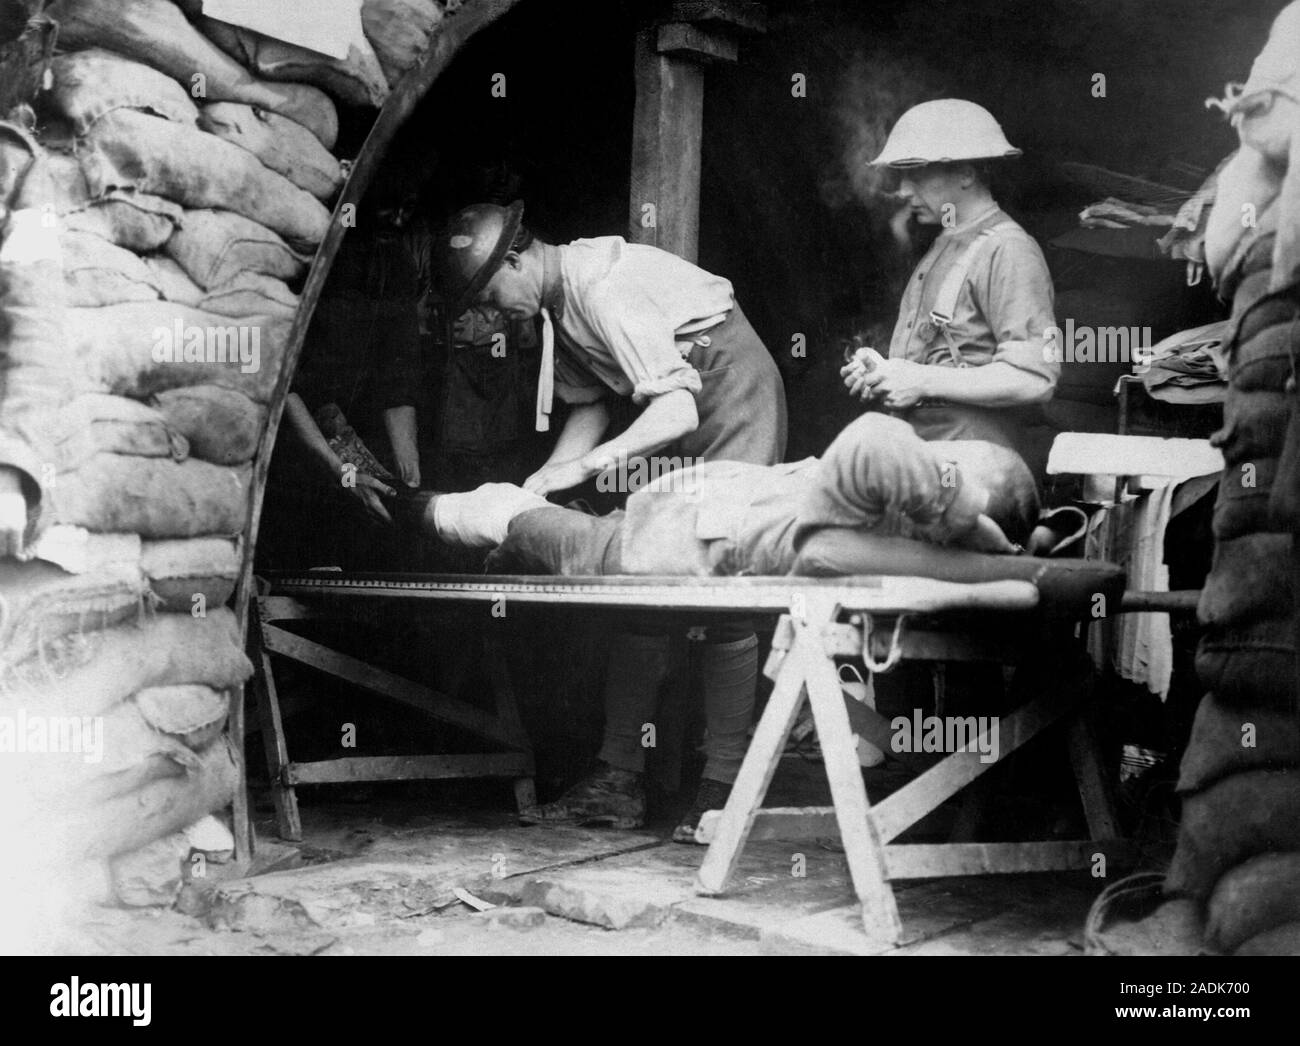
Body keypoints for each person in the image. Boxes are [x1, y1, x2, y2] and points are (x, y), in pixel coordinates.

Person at [431, 202, 788, 841]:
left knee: (722, 574)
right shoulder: (557, 310)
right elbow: (590, 409)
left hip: (730, 394)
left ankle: (727, 784)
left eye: (489, 292)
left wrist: (589, 467)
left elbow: (675, 411)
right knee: (643, 578)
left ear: (517, 257)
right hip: (680, 407)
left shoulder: (603, 285)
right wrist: (533, 492)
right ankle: (617, 777)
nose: (492, 312)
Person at [842, 99, 1059, 466]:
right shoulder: (946, 243)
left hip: (977, 465)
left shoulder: (1008, 250)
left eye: (918, 174)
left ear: (967, 173)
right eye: (902, 176)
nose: (905, 191)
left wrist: (920, 380)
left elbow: (1035, 378)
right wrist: (884, 371)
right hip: (927, 457)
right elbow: (939, 357)